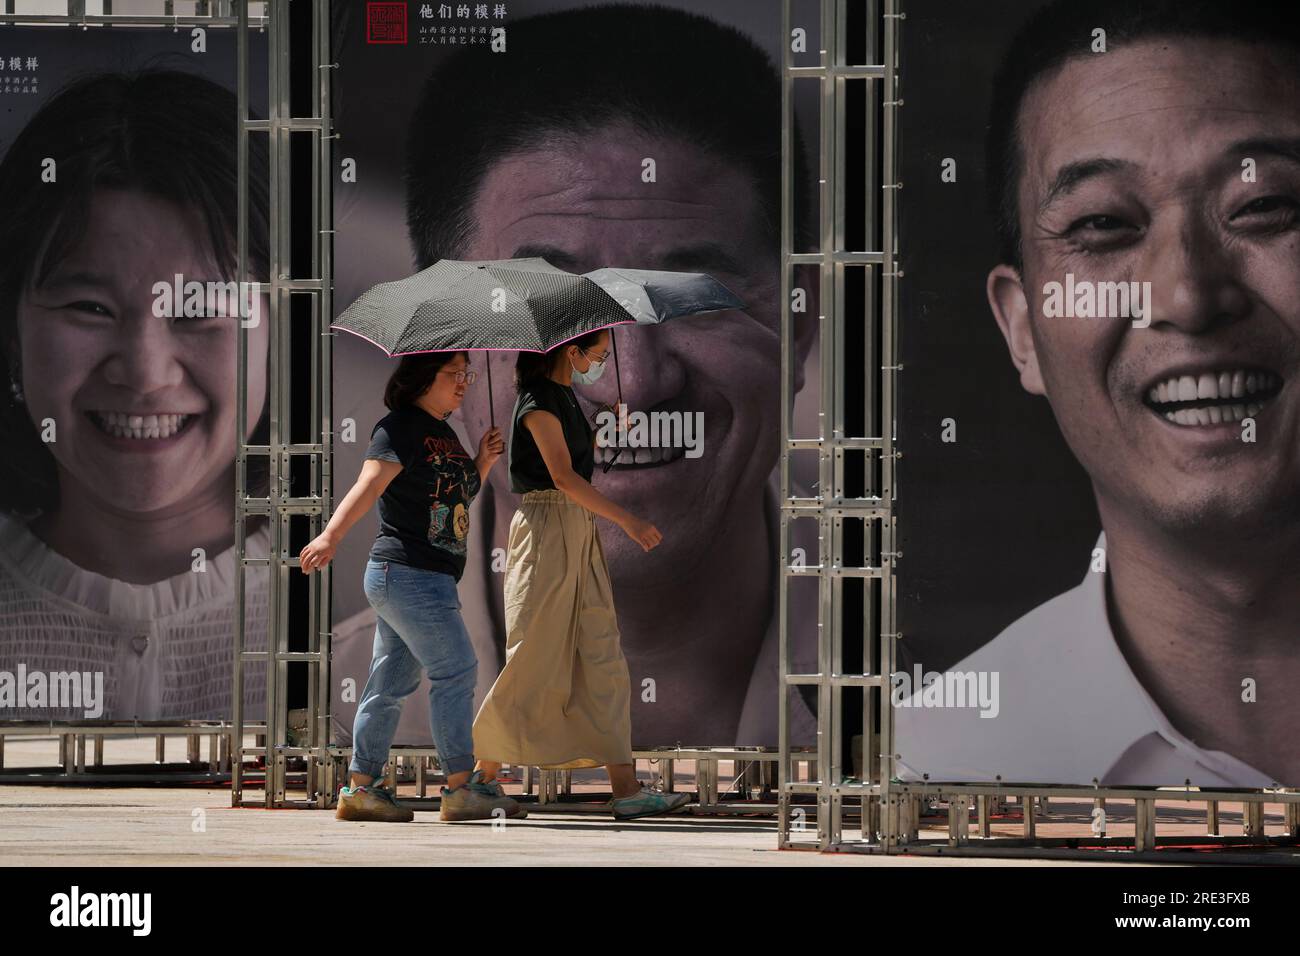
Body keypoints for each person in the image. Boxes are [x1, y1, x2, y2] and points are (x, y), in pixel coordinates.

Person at [392, 3, 821, 747]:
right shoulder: (318, 730)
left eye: (693, 297)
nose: (631, 385)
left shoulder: (951, 712)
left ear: (801, 321)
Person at [896, 0, 1300, 787]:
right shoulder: (923, 781)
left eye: (1264, 207)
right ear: (1022, 332)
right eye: (1106, 226)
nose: (1185, 295)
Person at [0, 69, 272, 721]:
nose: (145, 374)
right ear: (10, 333)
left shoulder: (359, 618)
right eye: (89, 306)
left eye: (200, 307)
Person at [470, 329, 692, 820]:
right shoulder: (537, 401)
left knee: (602, 654)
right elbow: (564, 477)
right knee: (532, 652)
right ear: (571, 351)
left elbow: (579, 462)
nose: (603, 365)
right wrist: (629, 521)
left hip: (576, 528)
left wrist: (609, 425)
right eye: (599, 355)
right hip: (547, 526)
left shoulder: (565, 397)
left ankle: (626, 789)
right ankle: (482, 779)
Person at [300, 351, 525, 822]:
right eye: (454, 374)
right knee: (457, 670)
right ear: (423, 377)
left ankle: (362, 789)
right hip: (406, 573)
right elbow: (369, 485)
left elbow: (456, 500)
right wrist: (331, 535)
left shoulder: (444, 431)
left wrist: (481, 461)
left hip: (426, 577)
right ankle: (461, 787)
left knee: (390, 683)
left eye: (467, 373)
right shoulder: (398, 427)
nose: (463, 382)